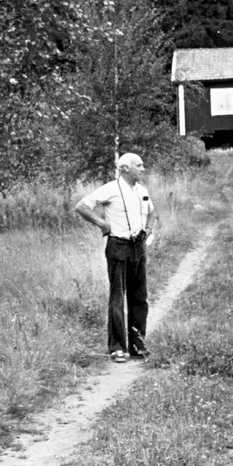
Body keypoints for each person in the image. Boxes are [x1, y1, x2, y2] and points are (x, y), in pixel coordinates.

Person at [74, 152, 156, 363]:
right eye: (139, 165)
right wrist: (102, 224)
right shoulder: (110, 189)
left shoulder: (142, 191)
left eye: (143, 165)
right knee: (118, 298)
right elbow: (82, 207)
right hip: (118, 246)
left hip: (138, 248)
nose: (143, 169)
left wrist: (147, 229)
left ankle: (138, 345)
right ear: (125, 168)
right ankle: (117, 348)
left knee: (139, 298)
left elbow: (151, 212)